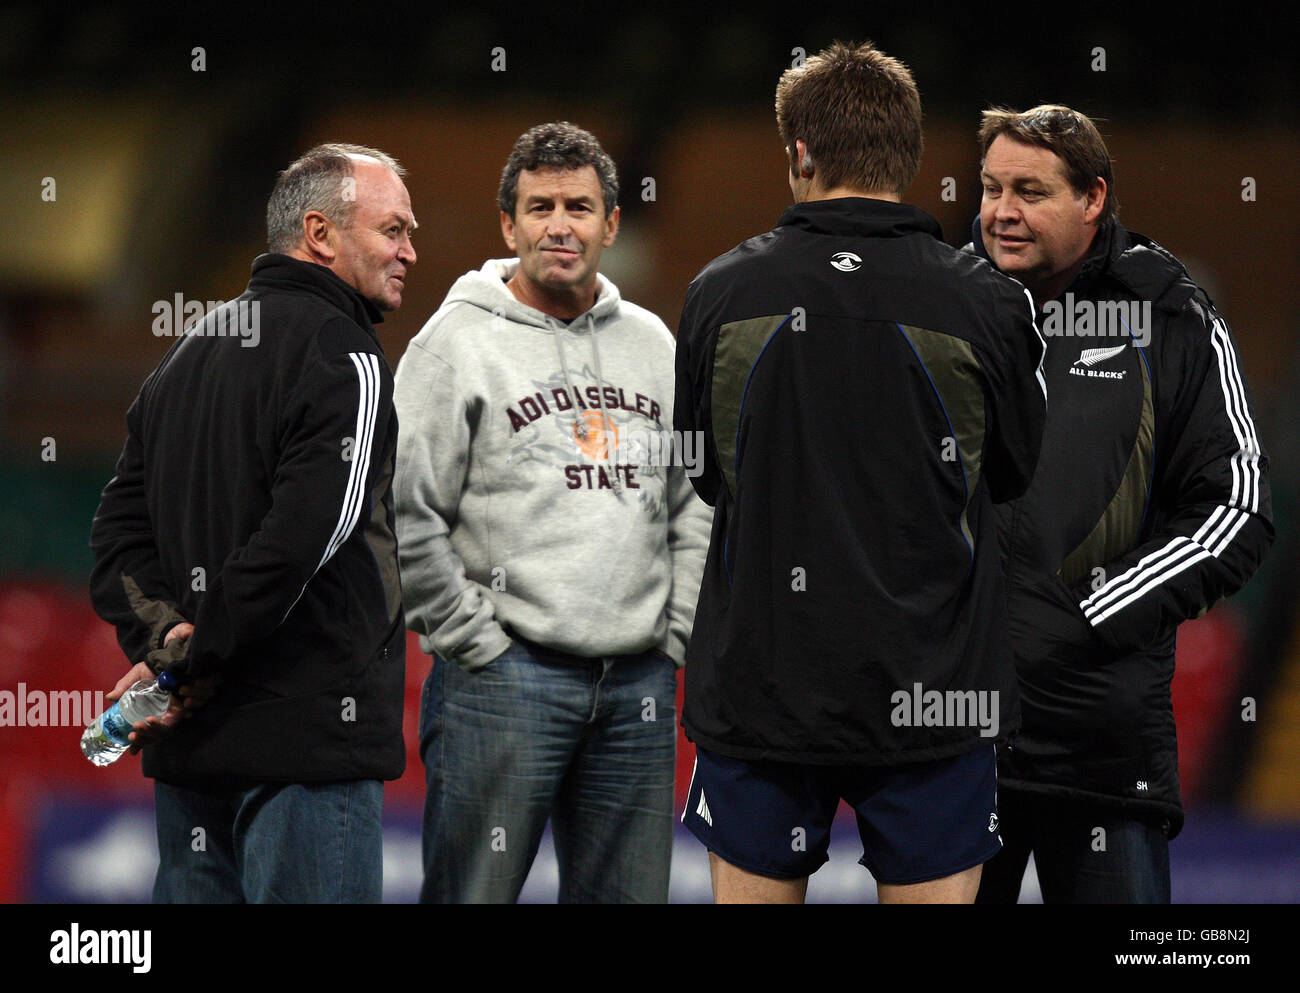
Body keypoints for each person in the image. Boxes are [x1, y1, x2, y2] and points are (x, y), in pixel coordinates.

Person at [674, 41, 1048, 904]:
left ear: (799, 154)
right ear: (909, 158)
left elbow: (706, 473)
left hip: (761, 692)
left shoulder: (719, 292)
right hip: (937, 696)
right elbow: (1014, 472)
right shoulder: (987, 299)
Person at [89, 143, 416, 903]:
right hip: (304, 750)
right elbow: (305, 540)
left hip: (194, 753)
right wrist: (194, 653)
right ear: (321, 233)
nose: (410, 250)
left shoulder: (185, 355)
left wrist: (168, 646)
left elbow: (115, 537)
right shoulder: (348, 355)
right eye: (394, 228)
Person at [394, 121, 710, 904]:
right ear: (509, 224)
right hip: (504, 680)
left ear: (611, 224)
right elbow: (407, 511)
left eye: (578, 206)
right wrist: (477, 641)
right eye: (539, 207)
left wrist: (674, 635)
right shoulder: (454, 343)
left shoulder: (654, 344)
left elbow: (694, 500)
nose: (558, 226)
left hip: (638, 680)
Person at [967, 105, 1273, 903]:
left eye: (1030, 191)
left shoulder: (1169, 313)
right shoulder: (944, 303)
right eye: (991, 187)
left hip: (1102, 753)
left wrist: (1091, 613)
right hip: (952, 752)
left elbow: (1235, 507)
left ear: (1093, 197)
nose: (1002, 210)